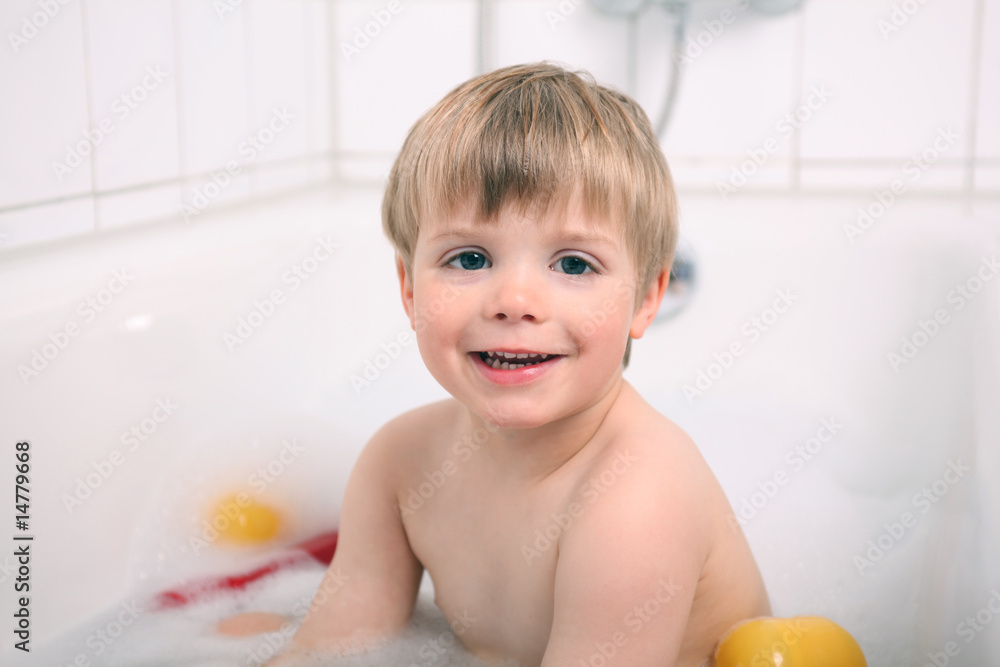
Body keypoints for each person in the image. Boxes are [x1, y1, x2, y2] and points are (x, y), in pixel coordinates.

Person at [219, 61, 770, 666]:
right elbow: (337, 647)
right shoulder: (400, 463)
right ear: (409, 289)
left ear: (645, 299)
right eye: (470, 258)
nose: (514, 301)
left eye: (574, 264)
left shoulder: (637, 494)